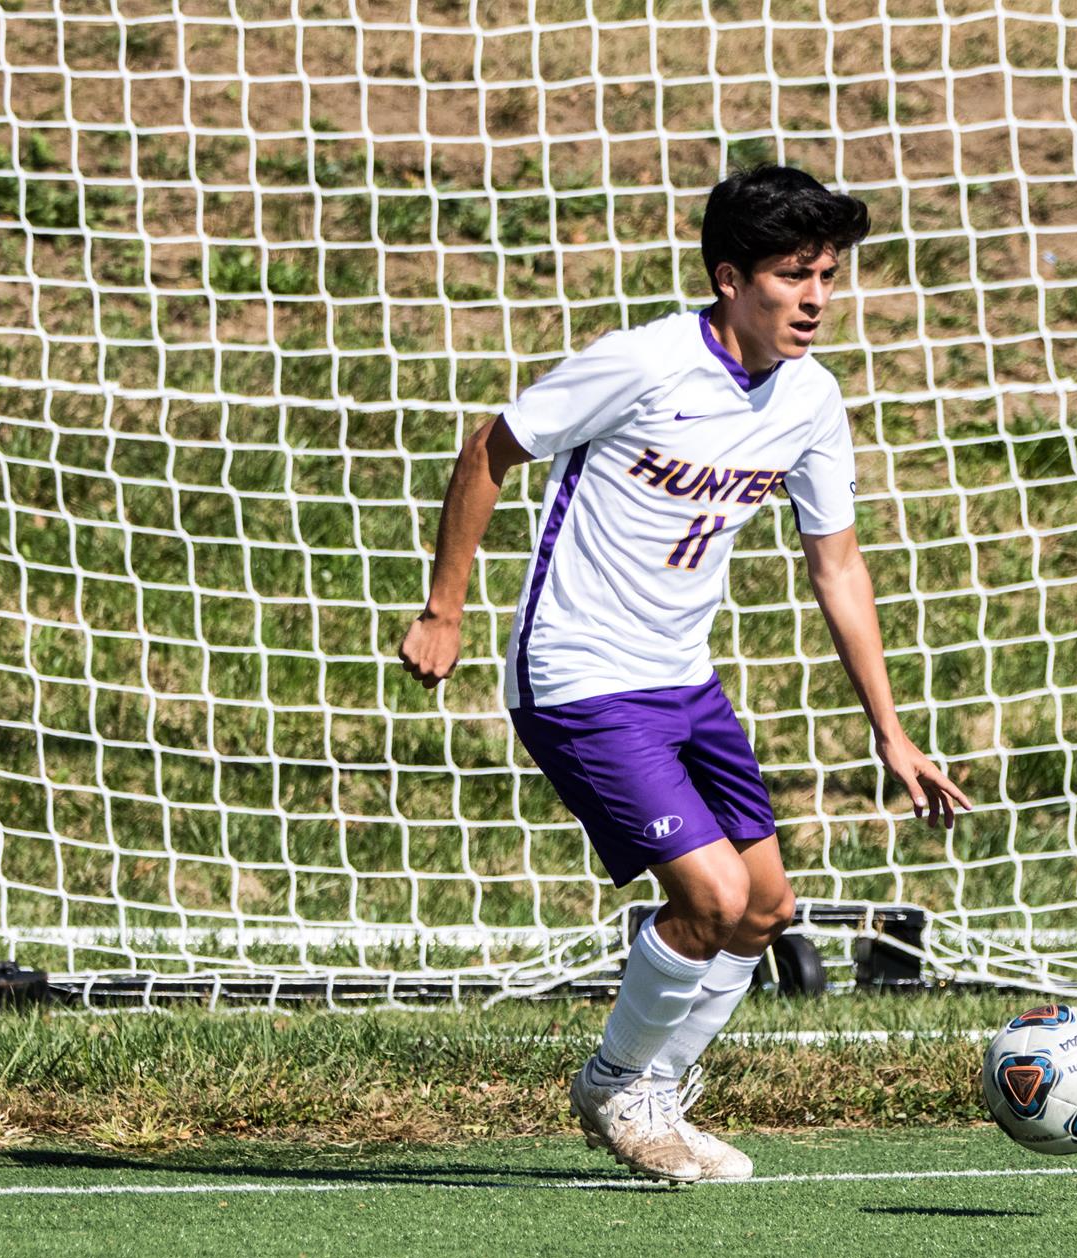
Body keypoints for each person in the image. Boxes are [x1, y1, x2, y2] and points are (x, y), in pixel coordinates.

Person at [395, 165, 970, 1180]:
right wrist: (444, 611)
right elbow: (488, 449)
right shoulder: (641, 363)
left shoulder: (810, 398)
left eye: (828, 276)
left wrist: (890, 730)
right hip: (577, 674)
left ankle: (657, 1089)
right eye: (793, 276)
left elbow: (835, 563)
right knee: (707, 896)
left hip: (682, 681)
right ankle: (617, 1084)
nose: (815, 299)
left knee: (762, 906)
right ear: (728, 278)